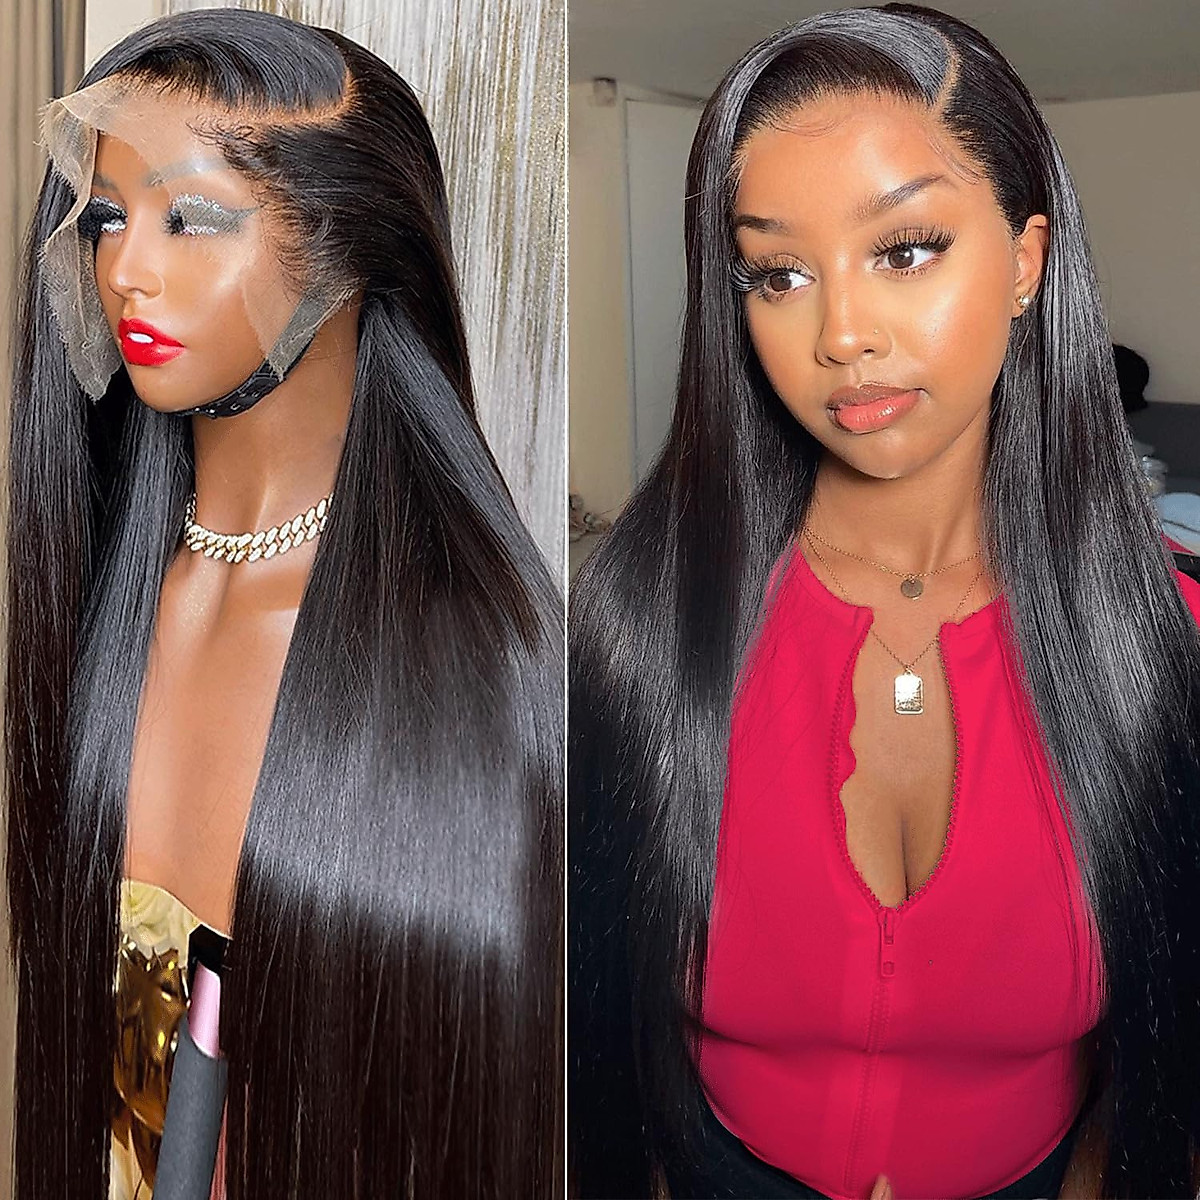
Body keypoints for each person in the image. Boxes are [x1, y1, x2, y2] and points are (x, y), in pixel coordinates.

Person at [569, 4, 1200, 1197]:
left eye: (905, 250)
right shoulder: (636, 631)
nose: (843, 334)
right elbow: (602, 1037)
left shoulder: (1163, 647)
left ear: (1025, 262)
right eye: (779, 273)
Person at [5, 9, 562, 1198]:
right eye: (106, 217)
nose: (125, 267)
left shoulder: (466, 658)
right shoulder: (110, 600)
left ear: (352, 248)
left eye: (191, 218)